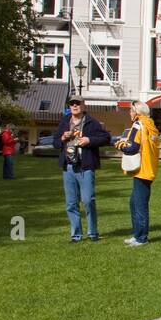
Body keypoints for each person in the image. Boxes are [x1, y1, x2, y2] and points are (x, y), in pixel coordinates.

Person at [55, 96, 111, 243]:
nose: (75, 106)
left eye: (77, 103)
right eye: (72, 104)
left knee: (88, 200)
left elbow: (106, 138)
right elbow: (55, 142)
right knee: (71, 203)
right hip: (68, 166)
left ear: (83, 105)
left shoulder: (92, 122)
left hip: (85, 166)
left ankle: (93, 233)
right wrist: (62, 138)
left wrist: (89, 140)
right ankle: (76, 235)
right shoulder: (64, 121)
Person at [114, 100, 160, 246]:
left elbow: (133, 147)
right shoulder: (150, 125)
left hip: (142, 170)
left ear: (136, 111)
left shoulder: (137, 125)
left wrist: (120, 145)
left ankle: (141, 238)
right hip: (150, 168)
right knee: (135, 202)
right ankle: (138, 235)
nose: (129, 113)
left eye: (131, 110)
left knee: (139, 205)